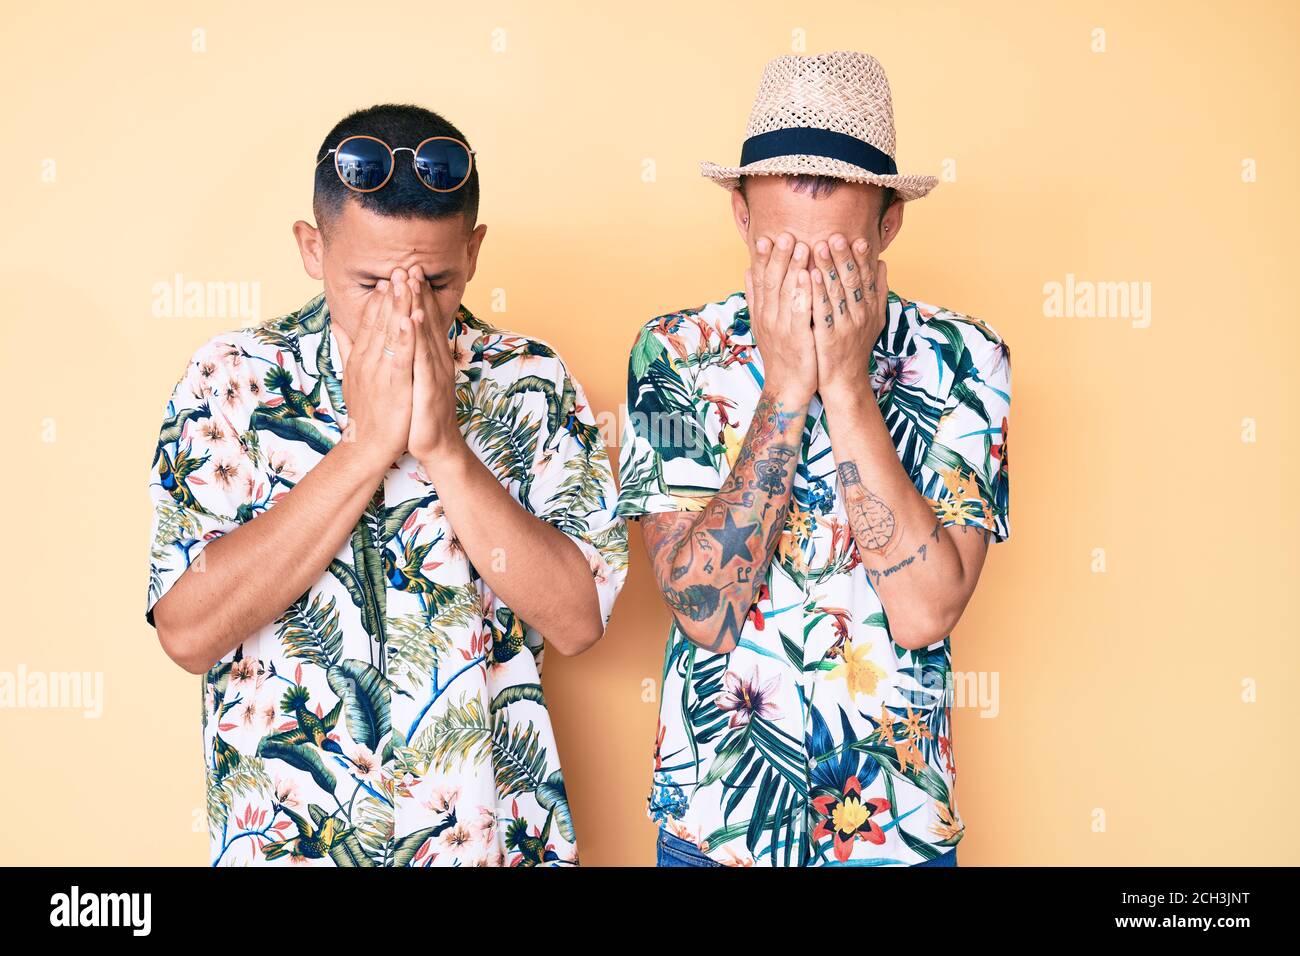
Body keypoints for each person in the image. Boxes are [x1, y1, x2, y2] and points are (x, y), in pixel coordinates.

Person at [145, 103, 628, 867]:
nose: (405, 310)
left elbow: (577, 622)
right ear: (313, 247)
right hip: (292, 843)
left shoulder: (531, 380)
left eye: (435, 281)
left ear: (473, 253)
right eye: (369, 281)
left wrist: (445, 450)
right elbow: (188, 632)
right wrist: (364, 448)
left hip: (491, 841)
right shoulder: (228, 381)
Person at [616, 51, 1011, 867]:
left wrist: (847, 387)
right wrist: (785, 394)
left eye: (834, 258)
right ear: (740, 216)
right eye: (781, 253)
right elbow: (702, 612)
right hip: (715, 823)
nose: (804, 281)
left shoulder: (965, 360)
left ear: (888, 227)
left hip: (893, 830)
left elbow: (927, 611)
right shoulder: (675, 354)